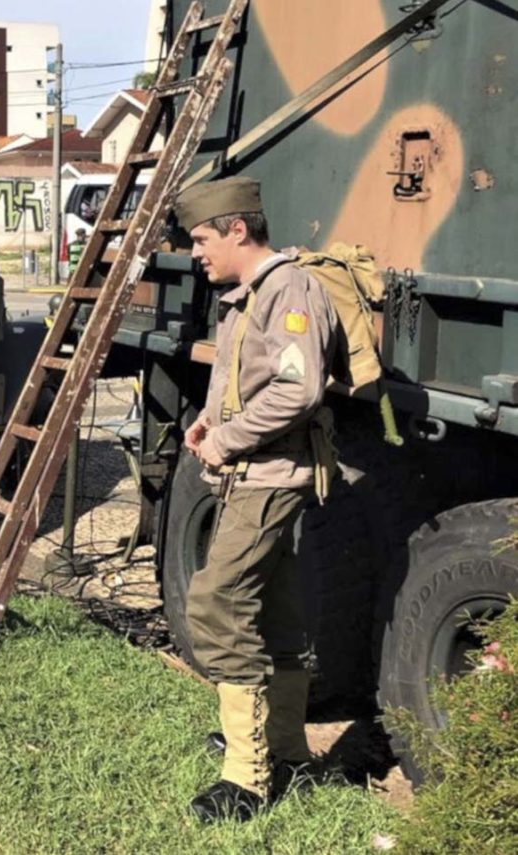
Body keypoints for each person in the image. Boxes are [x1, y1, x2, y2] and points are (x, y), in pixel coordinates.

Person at [173, 177, 338, 823]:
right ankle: (288, 749)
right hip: (251, 470)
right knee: (274, 611)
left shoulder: (290, 287)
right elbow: (252, 376)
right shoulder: (251, 294)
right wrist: (209, 422)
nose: (195, 253)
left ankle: (246, 776)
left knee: (216, 604)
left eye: (201, 239)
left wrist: (229, 439)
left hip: (269, 476)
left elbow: (298, 390)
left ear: (237, 230)